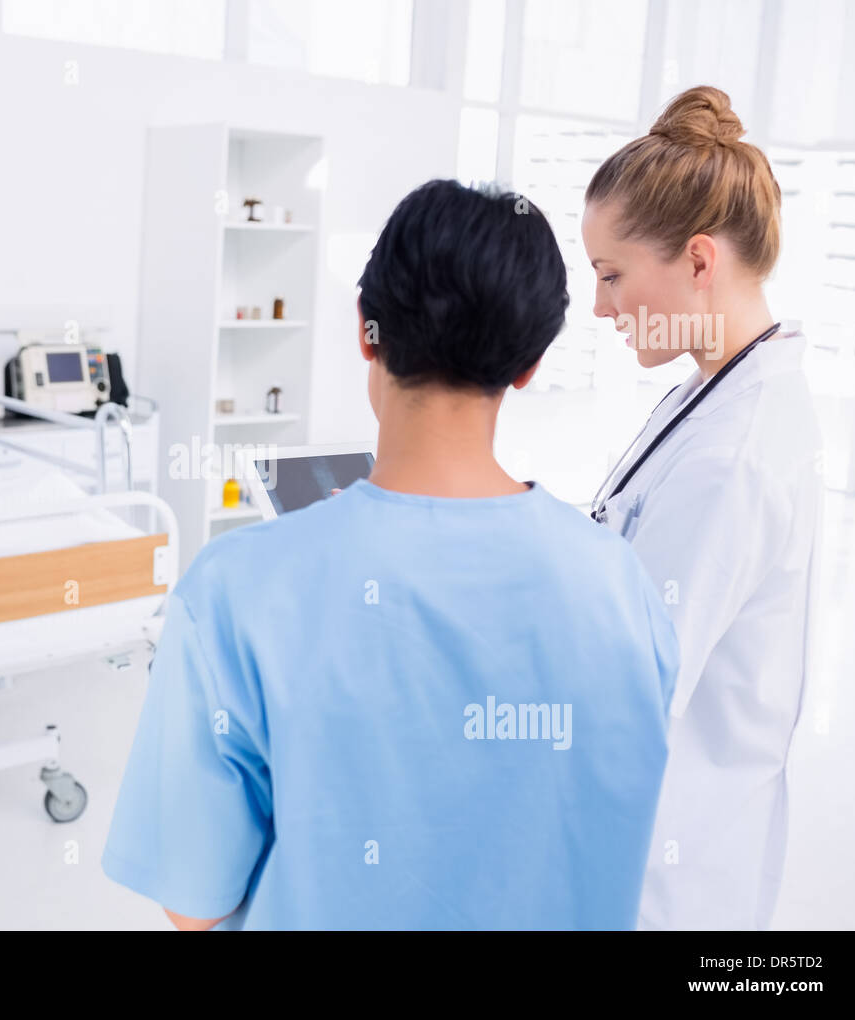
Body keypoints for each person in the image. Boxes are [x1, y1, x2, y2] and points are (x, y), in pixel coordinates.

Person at [101, 179, 681, 930]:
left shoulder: (237, 593)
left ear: (365, 331)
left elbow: (195, 903)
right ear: (531, 362)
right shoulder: (619, 585)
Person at [581, 86, 822, 930]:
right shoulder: (714, 393)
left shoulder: (732, 451)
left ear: (695, 261)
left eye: (611, 275)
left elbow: (626, 696)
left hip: (667, 883)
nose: (602, 307)